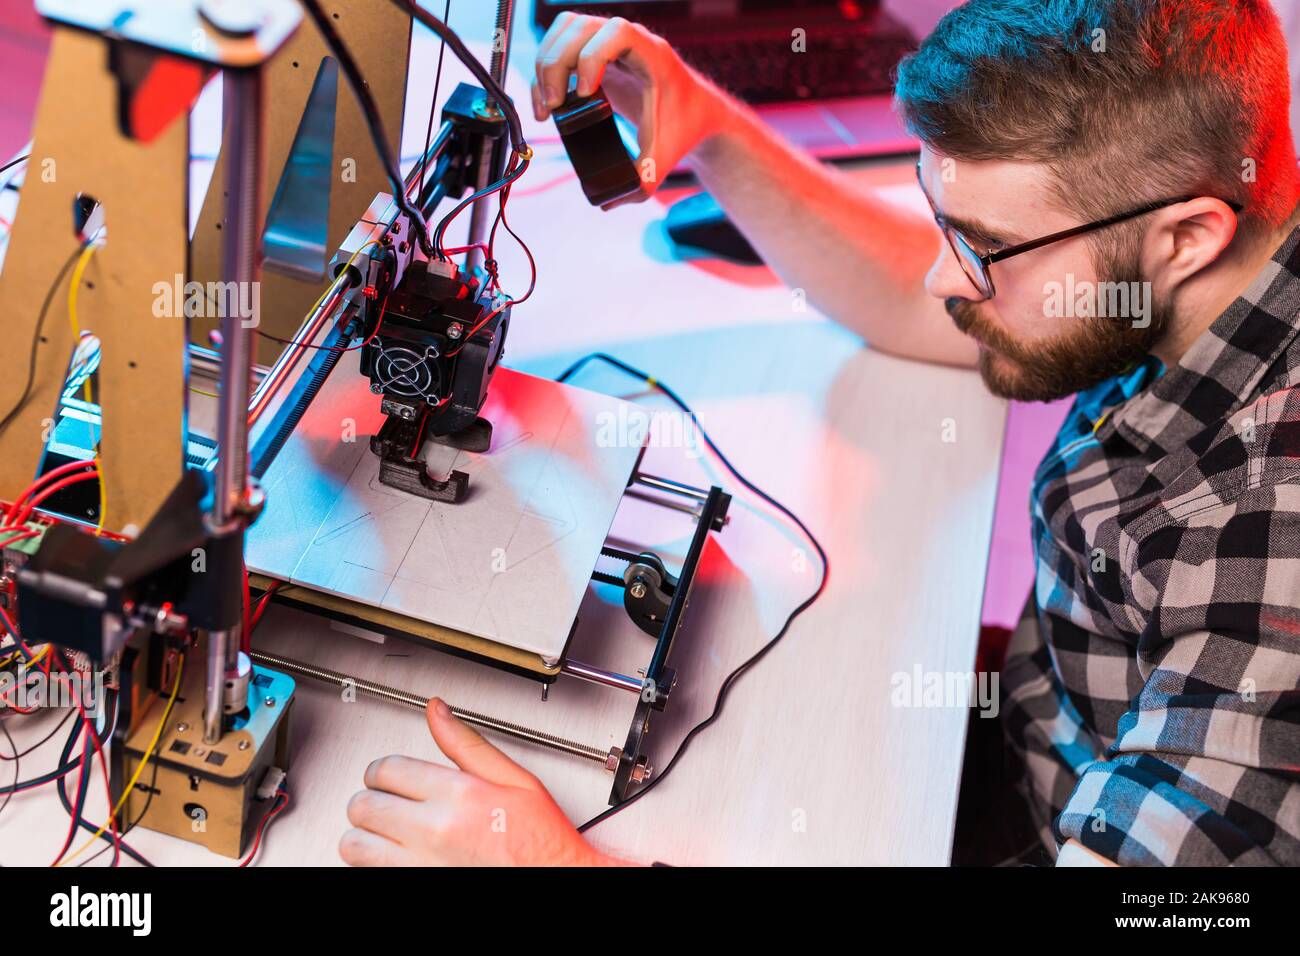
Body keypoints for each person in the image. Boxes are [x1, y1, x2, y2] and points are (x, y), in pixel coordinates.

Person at [339, 0, 1300, 867]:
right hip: (1053, 725)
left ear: (1186, 237)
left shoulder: (1266, 554)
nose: (944, 280)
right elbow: (907, 294)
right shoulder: (1208, 257)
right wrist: (706, 123)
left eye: (985, 250)